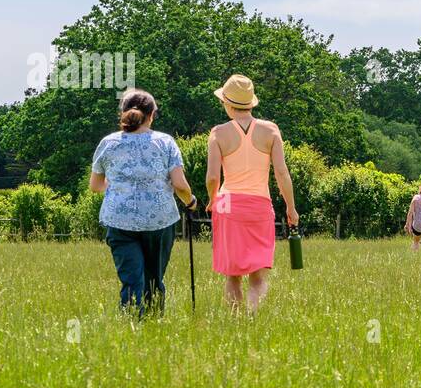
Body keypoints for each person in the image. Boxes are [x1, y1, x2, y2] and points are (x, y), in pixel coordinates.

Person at [89, 89, 196, 315]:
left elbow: (95, 185)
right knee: (154, 279)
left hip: (119, 221)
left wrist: (120, 188)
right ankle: (153, 323)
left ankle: (131, 326)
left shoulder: (108, 143)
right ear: (152, 115)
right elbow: (179, 184)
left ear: (123, 113)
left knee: (131, 279)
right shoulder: (165, 142)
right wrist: (191, 201)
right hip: (160, 221)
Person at [206, 74, 299, 314]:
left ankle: (236, 321)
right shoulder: (271, 130)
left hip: (227, 202)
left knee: (232, 275)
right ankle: (252, 316)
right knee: (258, 276)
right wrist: (291, 207)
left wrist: (212, 199)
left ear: (227, 103)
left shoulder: (218, 133)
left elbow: (213, 178)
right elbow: (281, 172)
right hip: (260, 203)